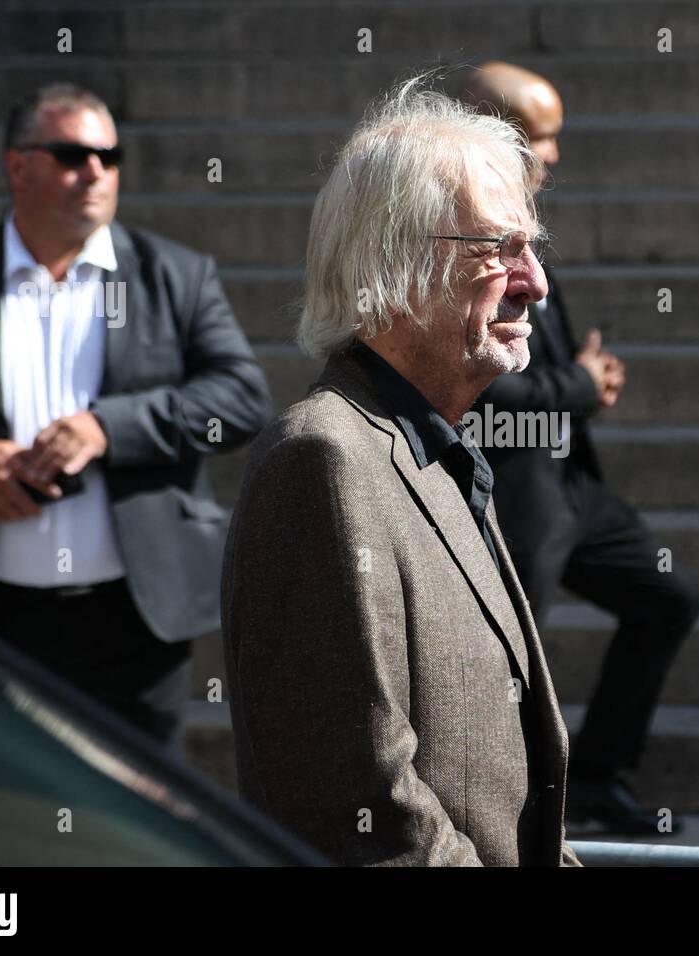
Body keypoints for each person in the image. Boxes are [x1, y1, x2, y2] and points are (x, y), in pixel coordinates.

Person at [221, 78, 581, 866]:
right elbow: (361, 811)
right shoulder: (321, 462)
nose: (535, 282)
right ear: (397, 264)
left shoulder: (433, 450)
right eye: (500, 248)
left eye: (532, 248)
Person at [0, 83, 271, 749]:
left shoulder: (175, 274)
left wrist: (108, 427)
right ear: (16, 165)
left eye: (109, 157)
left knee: (136, 808)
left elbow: (241, 397)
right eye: (71, 154)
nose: (95, 172)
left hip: (133, 627)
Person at [461, 62, 699, 835]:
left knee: (670, 597)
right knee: (507, 662)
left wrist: (582, 381)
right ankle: (508, 813)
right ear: (497, 132)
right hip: (510, 494)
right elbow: (478, 380)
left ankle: (596, 778)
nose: (554, 153)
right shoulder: (457, 228)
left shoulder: (517, 213)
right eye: (542, 136)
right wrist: (580, 383)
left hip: (568, 485)